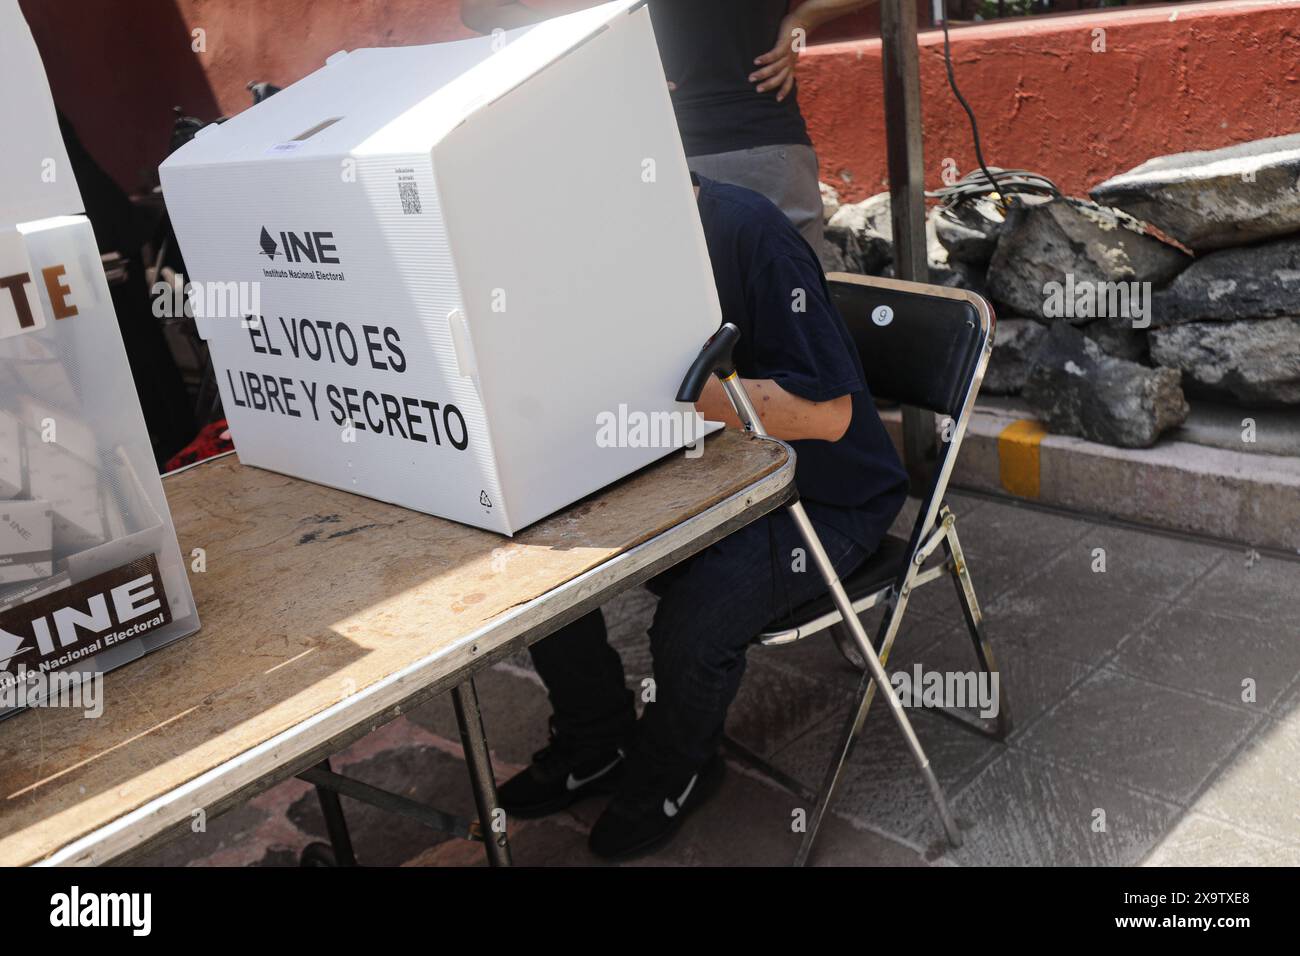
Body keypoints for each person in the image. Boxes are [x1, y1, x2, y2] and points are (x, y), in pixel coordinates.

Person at [496, 172, 909, 859]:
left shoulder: (749, 232)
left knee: (694, 623)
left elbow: (832, 416)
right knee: (540, 557)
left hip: (824, 496)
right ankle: (594, 740)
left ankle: (678, 766)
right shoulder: (597, 231)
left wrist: (663, 393)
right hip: (700, 474)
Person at [460, 0, 876, 254]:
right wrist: (804, 18)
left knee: (667, 350)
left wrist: (602, 40)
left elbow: (483, 11)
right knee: (794, 348)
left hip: (644, 145)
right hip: (759, 149)